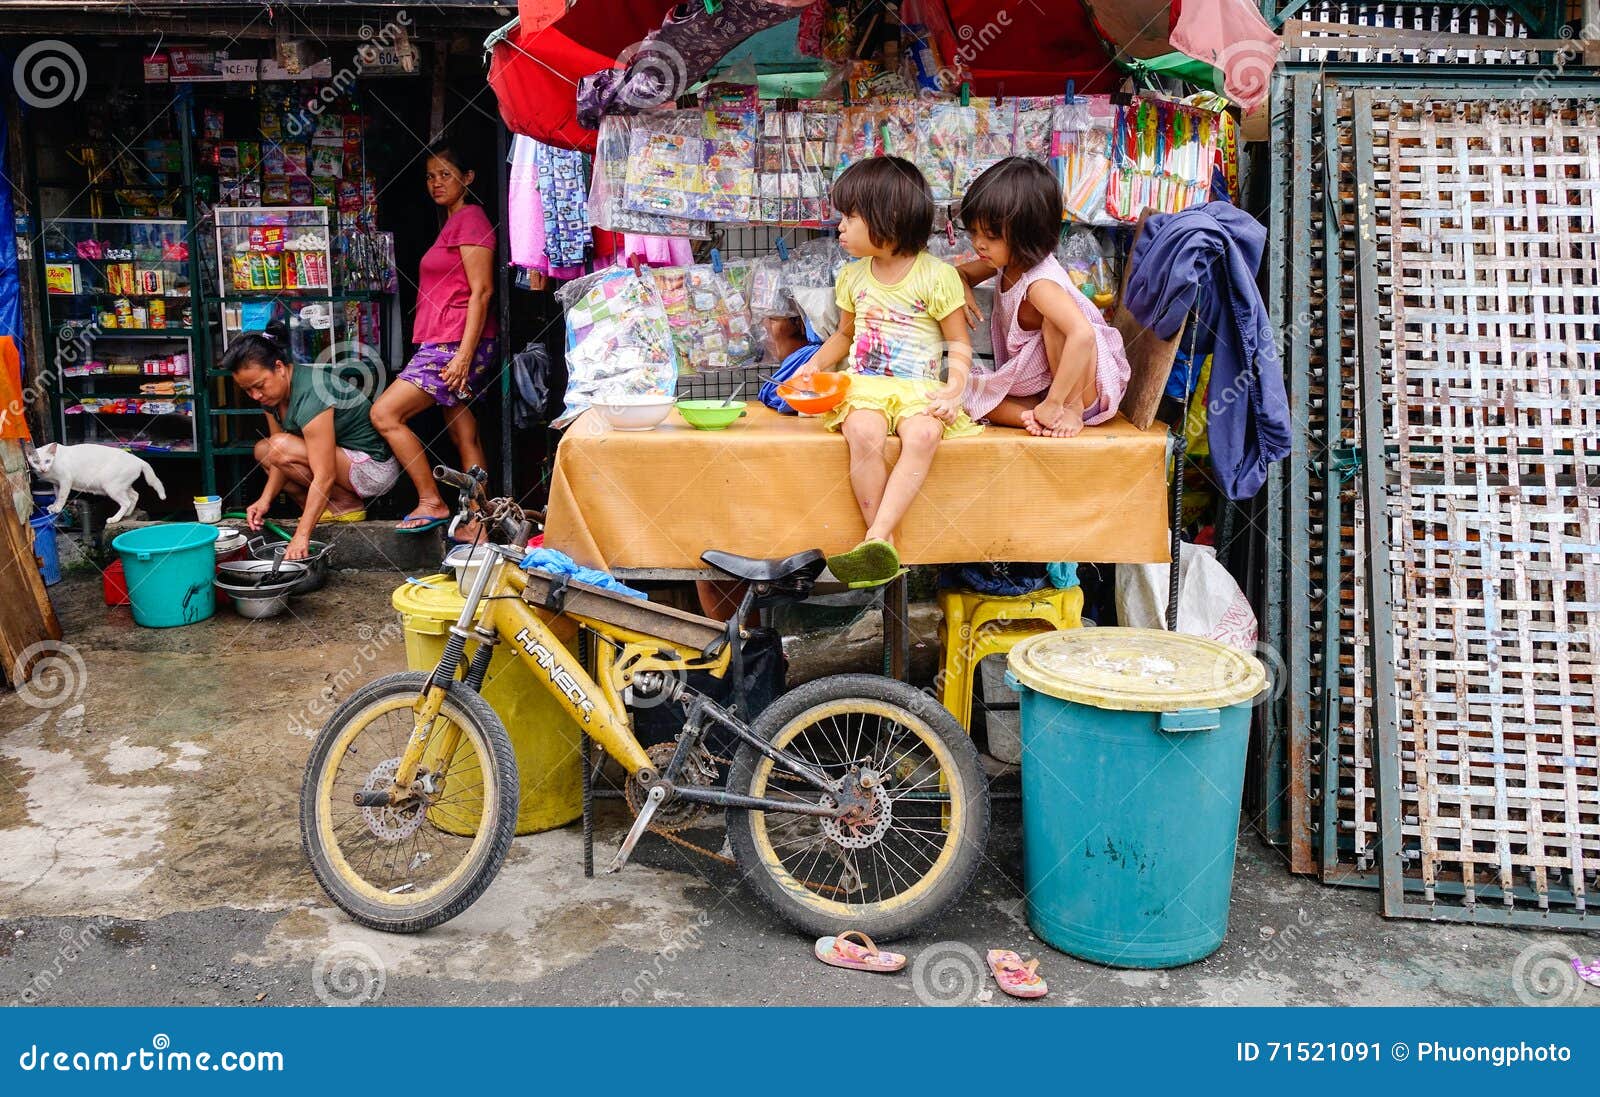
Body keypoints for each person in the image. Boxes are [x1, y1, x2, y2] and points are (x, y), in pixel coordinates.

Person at [797, 156, 976, 588]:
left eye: (850, 216)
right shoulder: (852, 277)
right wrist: (813, 366)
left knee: (924, 435)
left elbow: (959, 344)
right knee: (863, 432)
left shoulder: (938, 276)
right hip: (865, 387)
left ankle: (876, 537)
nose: (840, 226)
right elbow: (843, 335)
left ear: (888, 217)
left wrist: (953, 391)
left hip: (920, 390)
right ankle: (884, 543)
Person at [370, 140, 498, 533]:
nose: (436, 182)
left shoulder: (471, 218)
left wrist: (463, 354)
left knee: (385, 414)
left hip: (453, 344)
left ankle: (431, 501)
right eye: (430, 176)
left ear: (468, 177)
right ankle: (480, 516)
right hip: (446, 342)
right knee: (464, 431)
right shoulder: (455, 221)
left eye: (445, 174)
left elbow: (482, 291)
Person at [953, 156, 1130, 438]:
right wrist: (962, 286)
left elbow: (1082, 335)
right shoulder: (1004, 260)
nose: (978, 244)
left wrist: (1059, 401)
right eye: (974, 232)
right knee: (966, 397)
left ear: (1027, 236)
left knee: (1056, 323)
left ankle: (1066, 411)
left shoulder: (1039, 285)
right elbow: (959, 274)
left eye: (990, 236)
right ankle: (1033, 417)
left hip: (1083, 385)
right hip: (1044, 386)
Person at [224, 329, 399, 561]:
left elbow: (324, 474)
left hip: (372, 469)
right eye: (248, 390)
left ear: (279, 368)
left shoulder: (312, 392)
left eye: (260, 385)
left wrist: (301, 535)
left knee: (278, 446)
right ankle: (328, 510)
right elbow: (277, 459)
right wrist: (264, 500)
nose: (255, 395)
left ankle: (343, 505)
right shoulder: (271, 398)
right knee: (265, 451)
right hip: (343, 465)